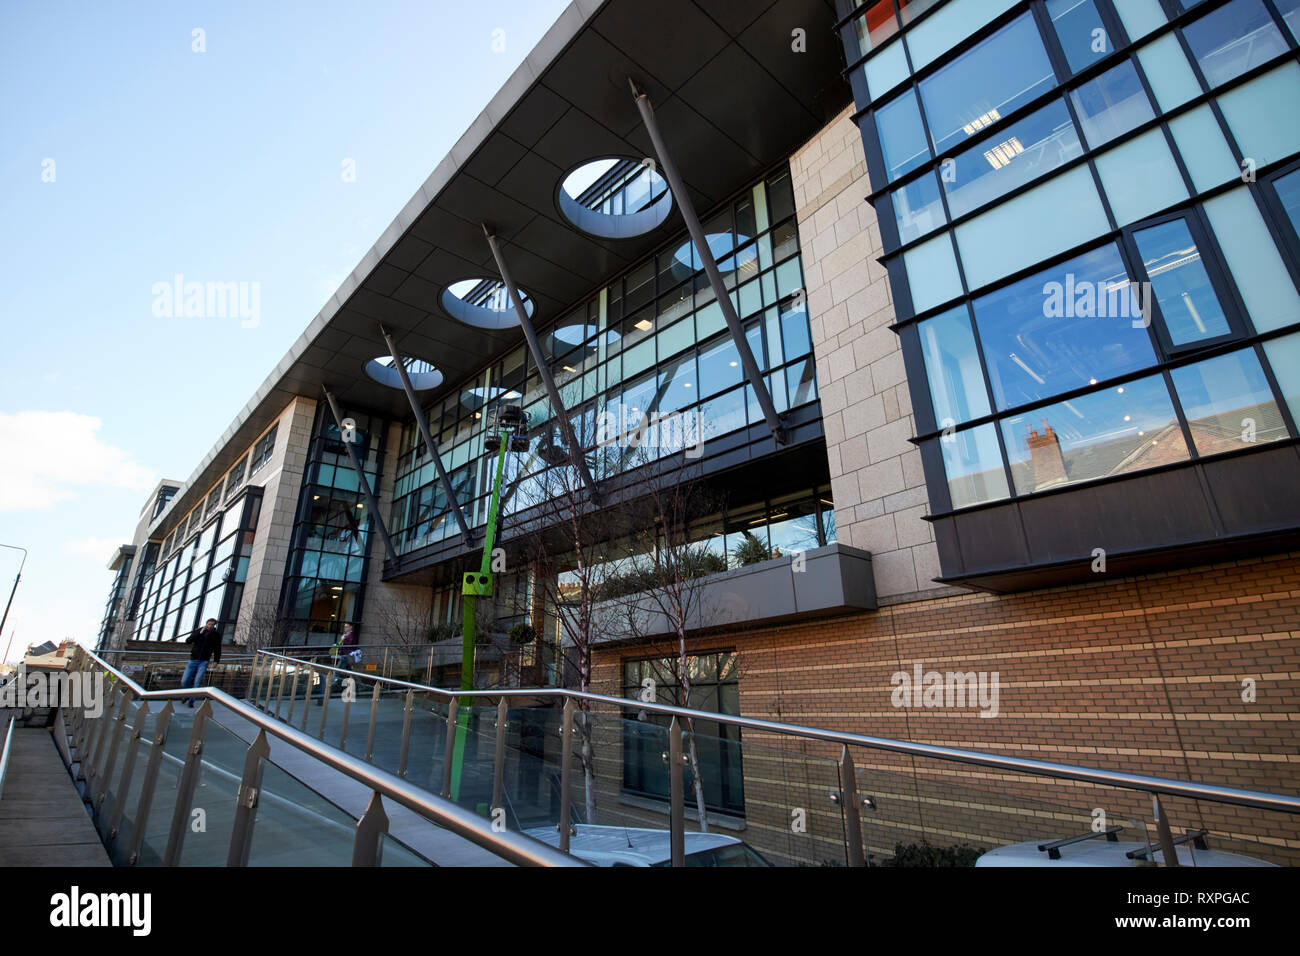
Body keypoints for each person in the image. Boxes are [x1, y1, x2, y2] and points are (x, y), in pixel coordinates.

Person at [182, 618, 222, 707]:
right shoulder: (199, 631)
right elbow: (188, 641)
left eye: (212, 625)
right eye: (209, 624)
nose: (210, 626)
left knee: (197, 681)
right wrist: (199, 634)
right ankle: (187, 694)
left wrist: (216, 661)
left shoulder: (216, 635)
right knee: (184, 681)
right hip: (193, 659)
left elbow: (217, 649)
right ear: (206, 624)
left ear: (214, 625)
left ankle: (191, 700)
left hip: (204, 661)